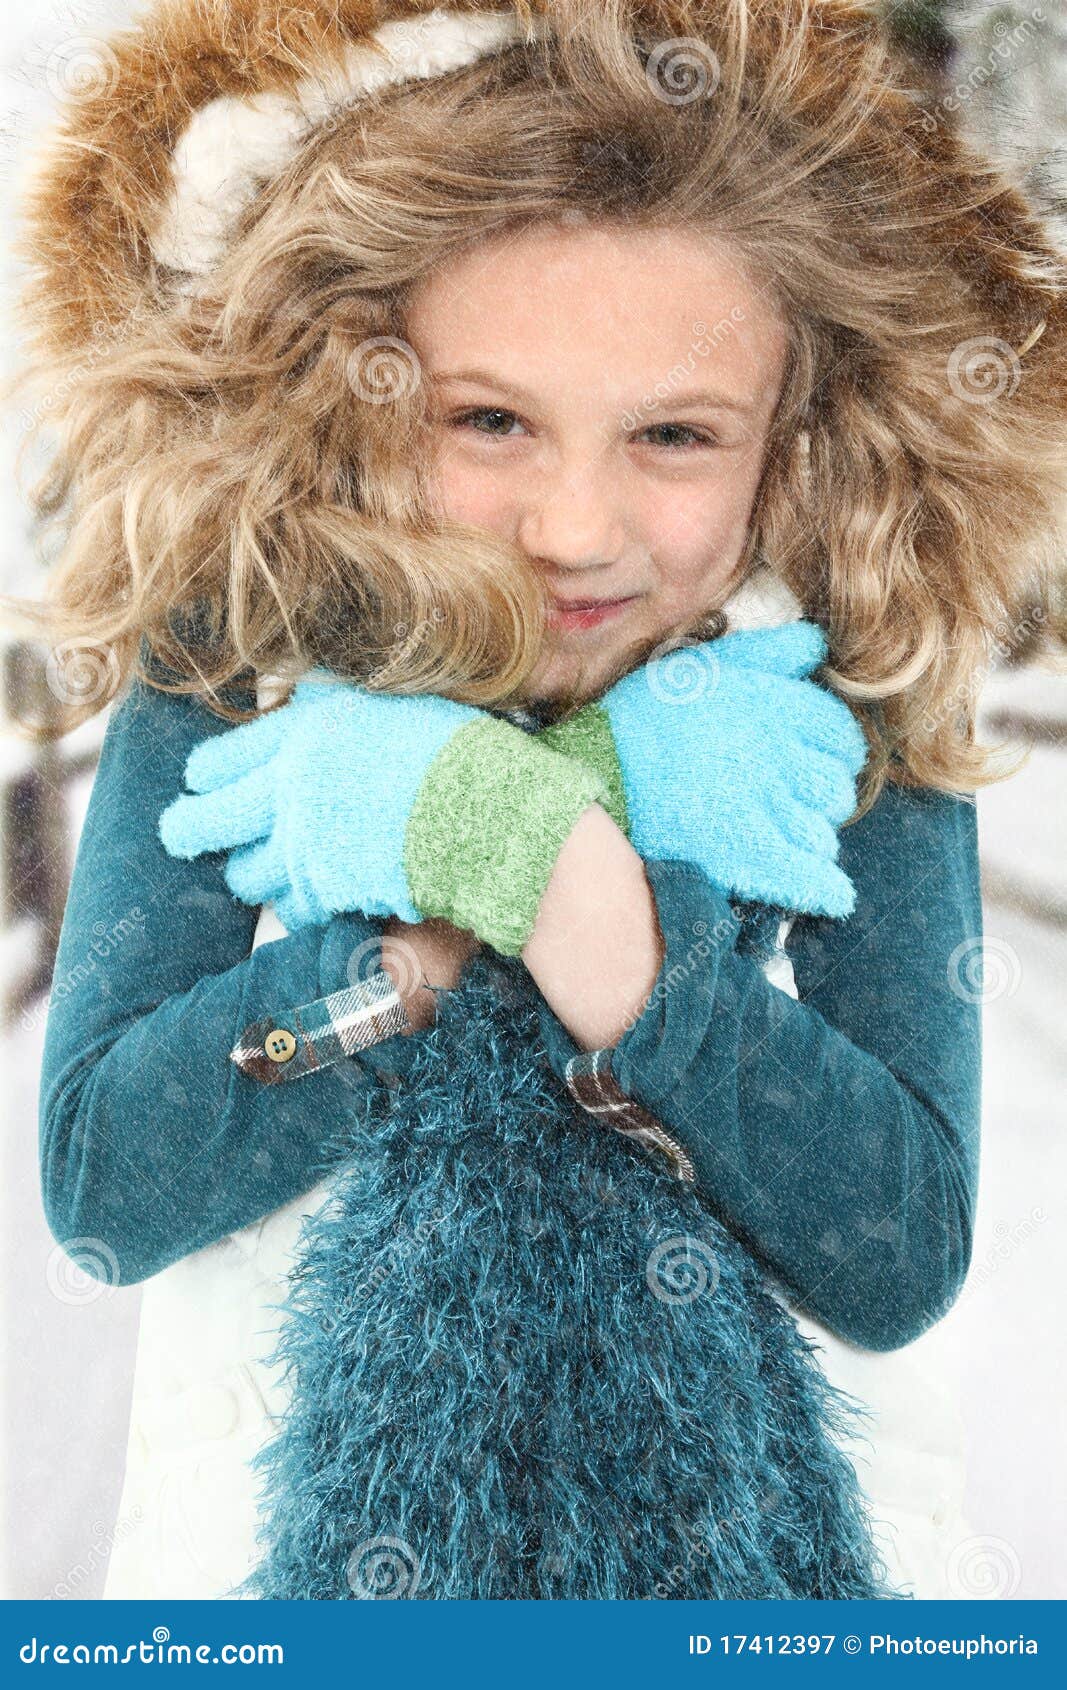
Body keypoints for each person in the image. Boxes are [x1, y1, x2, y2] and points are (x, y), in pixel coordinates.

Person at [7, 0, 1066, 1599]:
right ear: (355, 382)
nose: (577, 526)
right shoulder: (249, 647)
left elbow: (896, 1245)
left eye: (675, 435)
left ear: (795, 430)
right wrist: (421, 939)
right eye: (489, 419)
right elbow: (107, 1176)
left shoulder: (832, 687)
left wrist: (602, 910)